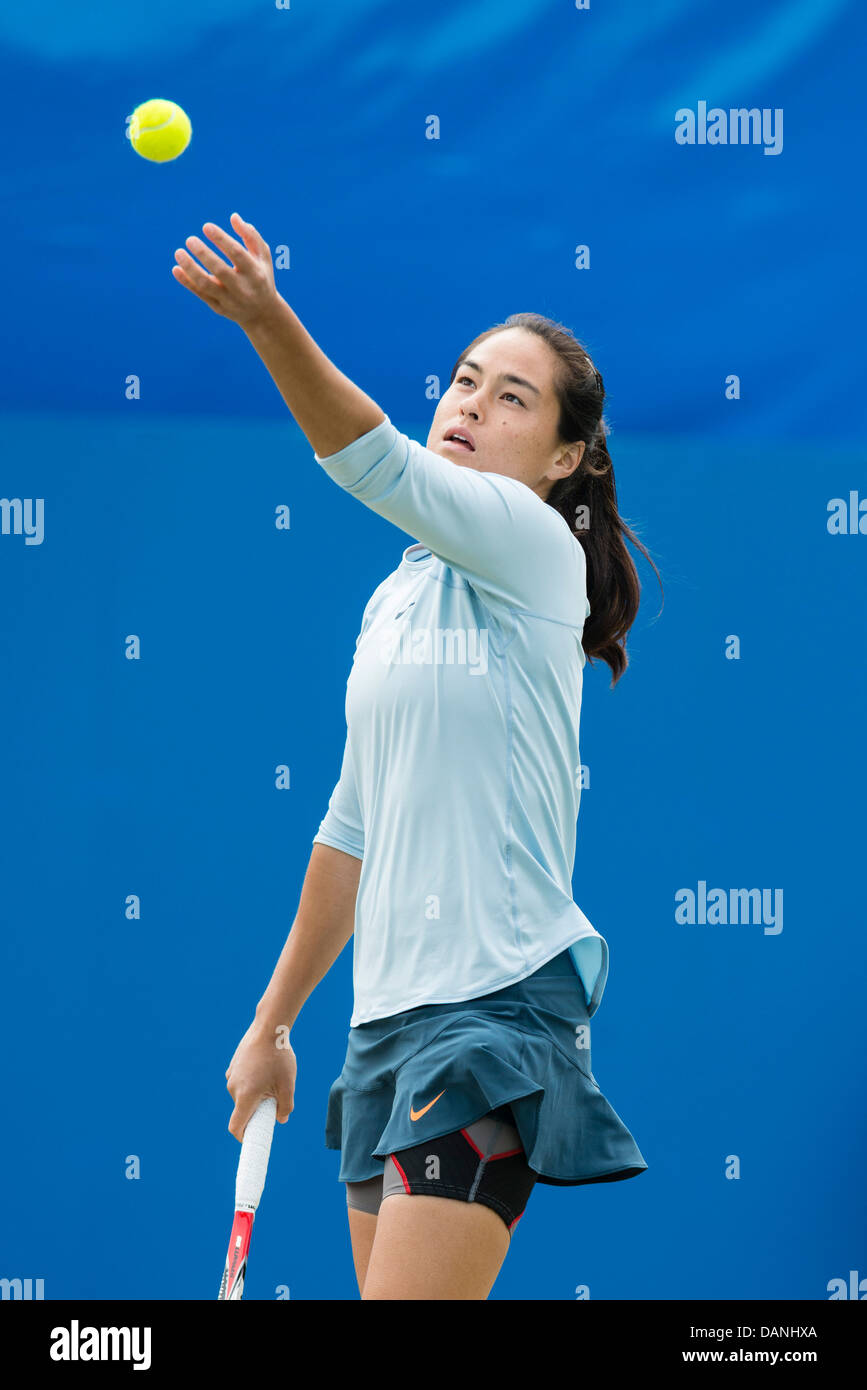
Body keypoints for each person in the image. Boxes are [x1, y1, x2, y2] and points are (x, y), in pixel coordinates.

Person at [173, 214, 663, 1300]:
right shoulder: (397, 598)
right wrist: (273, 1021)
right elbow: (354, 828)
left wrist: (265, 316)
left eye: (511, 398)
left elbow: (371, 462)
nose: (470, 405)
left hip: (493, 1015)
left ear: (567, 458)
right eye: (464, 380)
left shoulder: (535, 546)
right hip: (383, 1029)